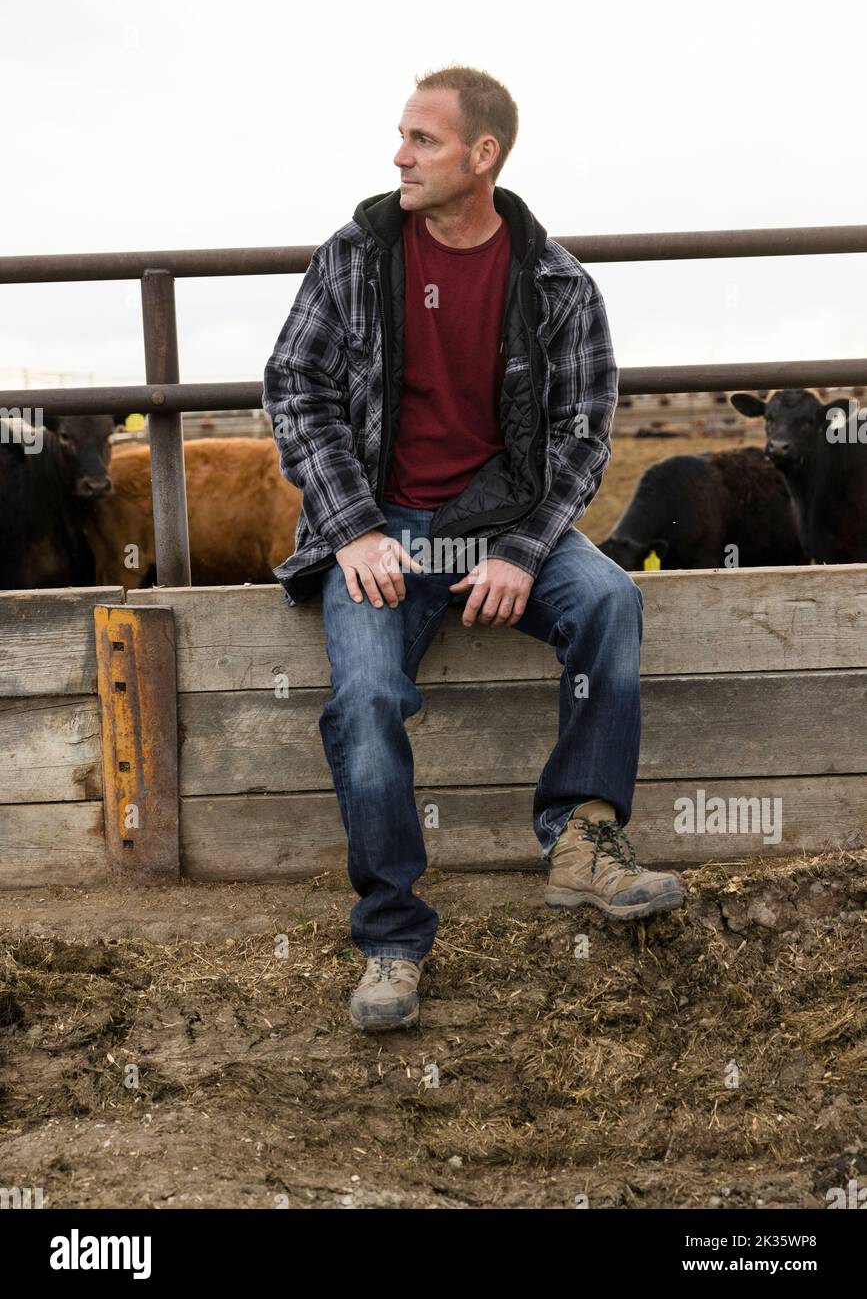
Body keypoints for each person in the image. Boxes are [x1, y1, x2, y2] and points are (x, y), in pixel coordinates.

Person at [263, 64, 685, 1034]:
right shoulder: (357, 255)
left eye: (423, 139)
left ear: (481, 156)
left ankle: (582, 841)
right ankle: (393, 937)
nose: (398, 155)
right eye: (402, 136)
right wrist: (355, 528)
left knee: (611, 598)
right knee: (365, 698)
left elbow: (583, 437)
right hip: (382, 531)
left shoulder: (557, 284)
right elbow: (297, 388)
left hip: (500, 527)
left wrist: (525, 551)